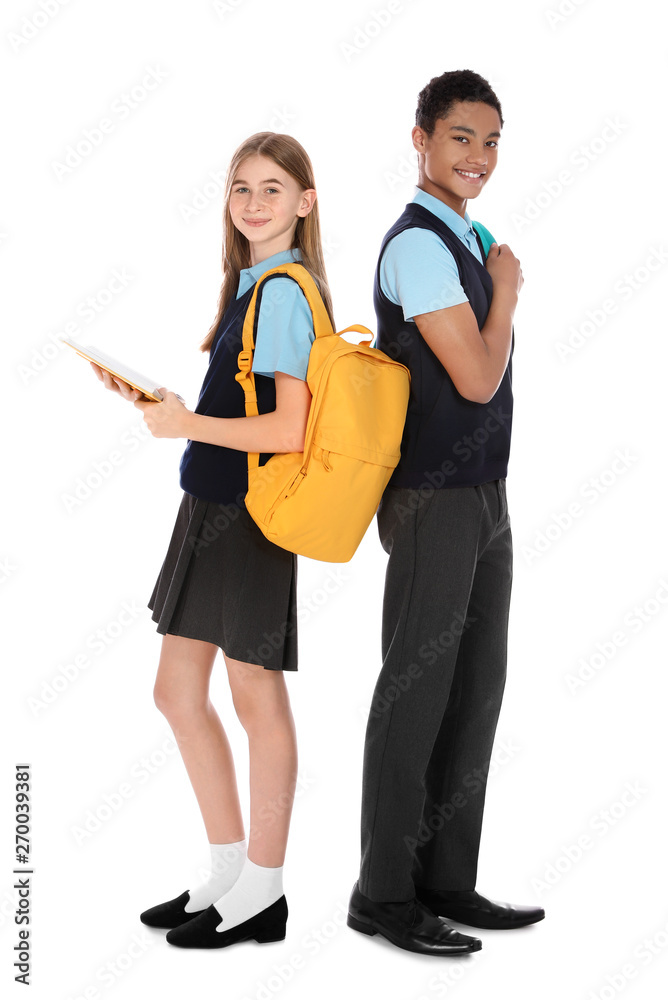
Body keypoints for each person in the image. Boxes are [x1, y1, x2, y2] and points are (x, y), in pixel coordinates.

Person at [90, 132, 334, 950]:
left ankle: (265, 887)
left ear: (305, 201)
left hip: (252, 520)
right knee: (177, 692)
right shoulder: (251, 285)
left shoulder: (286, 293)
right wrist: (165, 403)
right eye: (240, 188)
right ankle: (230, 869)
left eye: (273, 188)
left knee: (255, 696)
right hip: (211, 507)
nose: (254, 202)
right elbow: (241, 411)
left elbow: (292, 429)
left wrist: (183, 425)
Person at [347, 70, 544, 956]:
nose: (479, 156)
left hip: (485, 493)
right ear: (420, 137)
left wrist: (494, 281)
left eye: (492, 140)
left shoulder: (469, 236)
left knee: (476, 688)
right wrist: (504, 294)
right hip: (432, 496)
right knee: (415, 688)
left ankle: (446, 878)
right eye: (462, 136)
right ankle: (383, 892)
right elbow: (474, 375)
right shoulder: (421, 247)